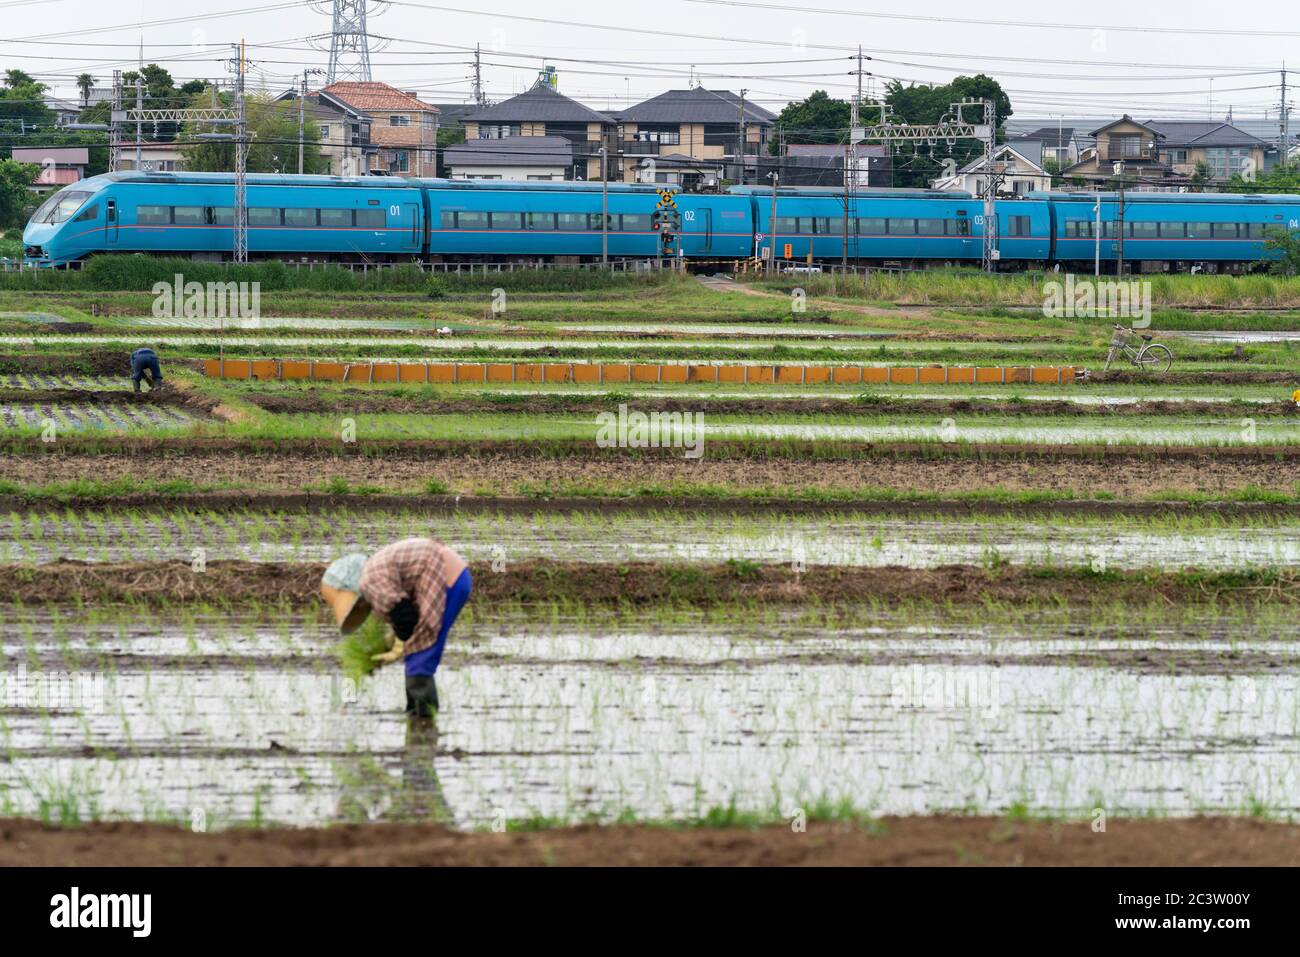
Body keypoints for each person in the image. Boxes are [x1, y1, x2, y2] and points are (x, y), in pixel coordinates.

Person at [320, 538, 472, 717]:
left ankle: (423, 719)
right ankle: (417, 712)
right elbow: (402, 609)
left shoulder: (369, 580)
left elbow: (404, 615)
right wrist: (392, 641)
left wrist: (401, 644)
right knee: (417, 652)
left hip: (444, 578)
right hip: (453, 575)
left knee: (420, 652)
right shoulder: (376, 569)